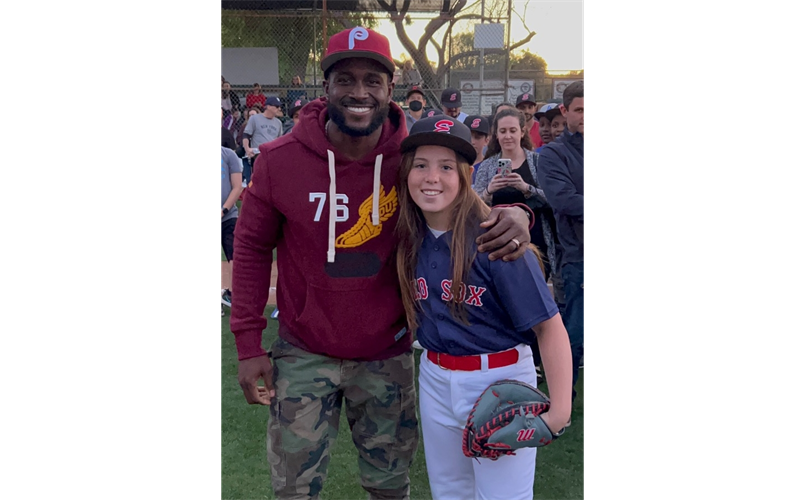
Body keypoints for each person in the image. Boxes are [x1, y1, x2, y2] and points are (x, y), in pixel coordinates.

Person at [230, 26, 533, 500]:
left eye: (373, 80)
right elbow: (249, 250)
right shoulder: (279, 161)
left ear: (391, 88)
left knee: (390, 488)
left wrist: (518, 211)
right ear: (325, 86)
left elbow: (461, 199)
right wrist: (248, 345)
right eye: (344, 79)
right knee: (293, 490)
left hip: (387, 352)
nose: (359, 92)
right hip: (304, 350)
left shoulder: (411, 158)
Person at [395, 115, 572, 500]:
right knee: (449, 493)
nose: (431, 178)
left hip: (500, 379)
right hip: (435, 376)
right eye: (420, 165)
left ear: (464, 174)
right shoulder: (408, 235)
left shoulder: (496, 239)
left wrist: (558, 413)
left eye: (446, 167)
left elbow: (550, 327)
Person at [536, 80, 584, 406]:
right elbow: (565, 201)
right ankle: (562, 398)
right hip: (578, 257)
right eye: (580, 110)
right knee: (576, 333)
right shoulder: (553, 154)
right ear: (565, 111)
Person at [221, 145, 243, 316]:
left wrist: (224, 210)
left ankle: (232, 294)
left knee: (234, 255)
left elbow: (237, 187)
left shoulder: (228, 155)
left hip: (228, 216)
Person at [242, 96, 284, 162]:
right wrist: (247, 149)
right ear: (268, 106)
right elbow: (246, 135)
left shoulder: (278, 122)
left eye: (279, 107)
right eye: (277, 106)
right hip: (258, 154)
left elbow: (279, 140)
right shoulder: (255, 118)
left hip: (272, 154)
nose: (279, 109)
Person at [462, 115, 490, 186]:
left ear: (486, 141)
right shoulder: (455, 163)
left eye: (477, 137)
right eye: (469, 136)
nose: (472, 141)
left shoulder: (490, 166)